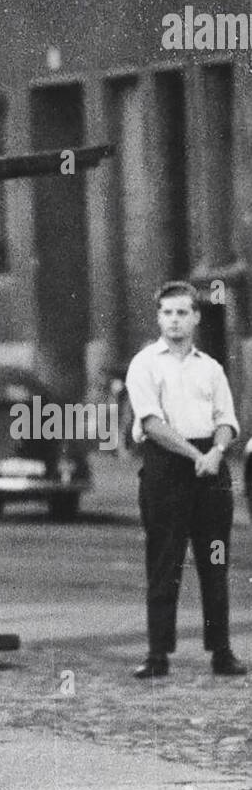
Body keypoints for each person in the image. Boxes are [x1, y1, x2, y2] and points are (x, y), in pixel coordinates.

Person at [125, 281, 247, 678]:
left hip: (210, 473)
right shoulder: (145, 364)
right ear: (159, 316)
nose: (174, 320)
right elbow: (152, 423)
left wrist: (214, 453)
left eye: (182, 313)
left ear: (195, 317)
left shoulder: (210, 368)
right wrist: (196, 455)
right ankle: (158, 653)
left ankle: (222, 651)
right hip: (166, 469)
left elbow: (226, 420)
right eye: (167, 313)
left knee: (214, 560)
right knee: (165, 560)